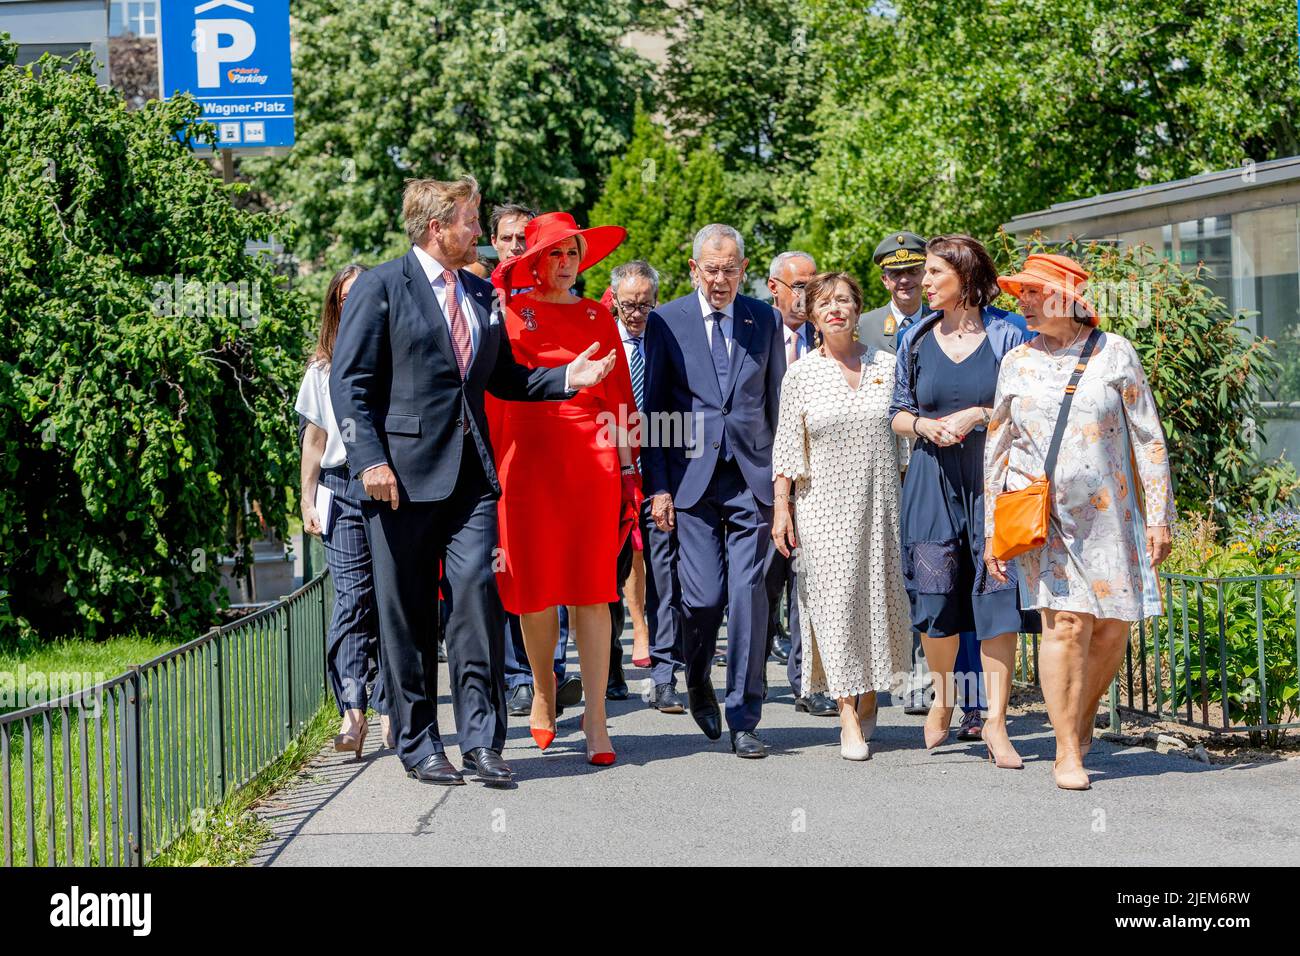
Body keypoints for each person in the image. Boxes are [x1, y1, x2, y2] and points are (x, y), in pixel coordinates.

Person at [330, 176, 616, 787]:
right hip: (397, 481)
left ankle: (483, 743)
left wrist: (571, 377)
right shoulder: (382, 286)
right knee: (406, 613)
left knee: (475, 601)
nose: (480, 234)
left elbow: (507, 378)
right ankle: (418, 742)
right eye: (470, 220)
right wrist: (369, 460)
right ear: (439, 228)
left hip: (470, 480)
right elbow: (349, 387)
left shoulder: (481, 293)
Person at [985, 253, 1173, 790]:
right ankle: (1068, 749)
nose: (1021, 301)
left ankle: (1081, 718)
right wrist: (990, 535)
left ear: (1066, 298)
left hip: (1111, 520)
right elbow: (996, 450)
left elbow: (1148, 438)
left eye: (1032, 292)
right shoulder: (1016, 363)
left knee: (1111, 630)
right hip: (1043, 520)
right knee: (1064, 625)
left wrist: (1158, 517)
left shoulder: (1115, 353)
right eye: (1019, 293)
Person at [490, 212, 638, 766]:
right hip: (526, 461)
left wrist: (627, 470)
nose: (565, 262)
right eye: (553, 253)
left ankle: (597, 718)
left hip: (590, 459)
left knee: (592, 589)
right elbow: (496, 390)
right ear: (533, 260)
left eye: (572, 252)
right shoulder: (509, 314)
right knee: (536, 590)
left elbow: (621, 397)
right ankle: (544, 690)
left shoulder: (600, 315)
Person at [888, 234, 1033, 768]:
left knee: (997, 597)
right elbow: (896, 412)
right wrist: (924, 425)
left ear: (964, 276)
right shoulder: (916, 336)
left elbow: (1028, 406)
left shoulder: (1009, 332)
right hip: (930, 477)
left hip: (993, 482)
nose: (921, 283)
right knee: (933, 595)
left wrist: (979, 416)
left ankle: (995, 722)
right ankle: (944, 699)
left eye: (932, 273)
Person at [642, 223, 785, 759]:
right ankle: (697, 675)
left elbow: (776, 404)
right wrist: (658, 487)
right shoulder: (666, 321)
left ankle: (745, 716)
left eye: (730, 269)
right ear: (694, 270)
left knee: (749, 596)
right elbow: (653, 411)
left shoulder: (764, 319)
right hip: (690, 480)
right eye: (711, 269)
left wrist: (783, 485)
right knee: (701, 600)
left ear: (743, 270)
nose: (720, 279)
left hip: (752, 478)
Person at [772, 272, 911, 760]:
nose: (836, 309)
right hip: (822, 507)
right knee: (833, 605)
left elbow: (905, 446)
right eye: (825, 303)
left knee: (877, 602)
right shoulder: (801, 374)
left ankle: (871, 691)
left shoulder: (887, 366)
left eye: (845, 301)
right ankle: (847, 713)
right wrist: (781, 507)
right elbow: (788, 445)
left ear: (858, 310)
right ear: (812, 314)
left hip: (881, 505)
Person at [486, 201, 583, 720]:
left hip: (549, 441)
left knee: (551, 559)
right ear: (494, 243)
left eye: (527, 238)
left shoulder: (562, 299)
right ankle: (517, 672)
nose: (518, 247)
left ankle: (550, 671)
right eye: (508, 238)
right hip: (497, 436)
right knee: (505, 560)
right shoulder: (485, 297)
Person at [297, 264, 389, 757]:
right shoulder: (323, 368)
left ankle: (393, 708)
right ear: (335, 307)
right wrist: (307, 499)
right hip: (340, 487)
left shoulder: (394, 357)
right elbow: (315, 440)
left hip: (390, 487)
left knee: (392, 602)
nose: (355, 305)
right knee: (352, 600)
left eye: (364, 295)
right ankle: (353, 711)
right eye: (345, 298)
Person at [609, 261, 687, 714]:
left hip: (657, 471)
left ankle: (663, 675)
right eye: (628, 305)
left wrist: (664, 483)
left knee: (663, 574)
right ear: (614, 298)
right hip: (609, 472)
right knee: (609, 577)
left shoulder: (664, 335)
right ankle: (612, 667)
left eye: (644, 304)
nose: (636, 314)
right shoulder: (601, 337)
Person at [764, 250, 836, 718]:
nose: (807, 295)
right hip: (769, 483)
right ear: (775, 288)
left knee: (810, 586)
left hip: (823, 482)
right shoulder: (757, 334)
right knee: (766, 585)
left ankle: (808, 682)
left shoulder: (832, 339)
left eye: (814, 285)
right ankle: (752, 678)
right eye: (798, 286)